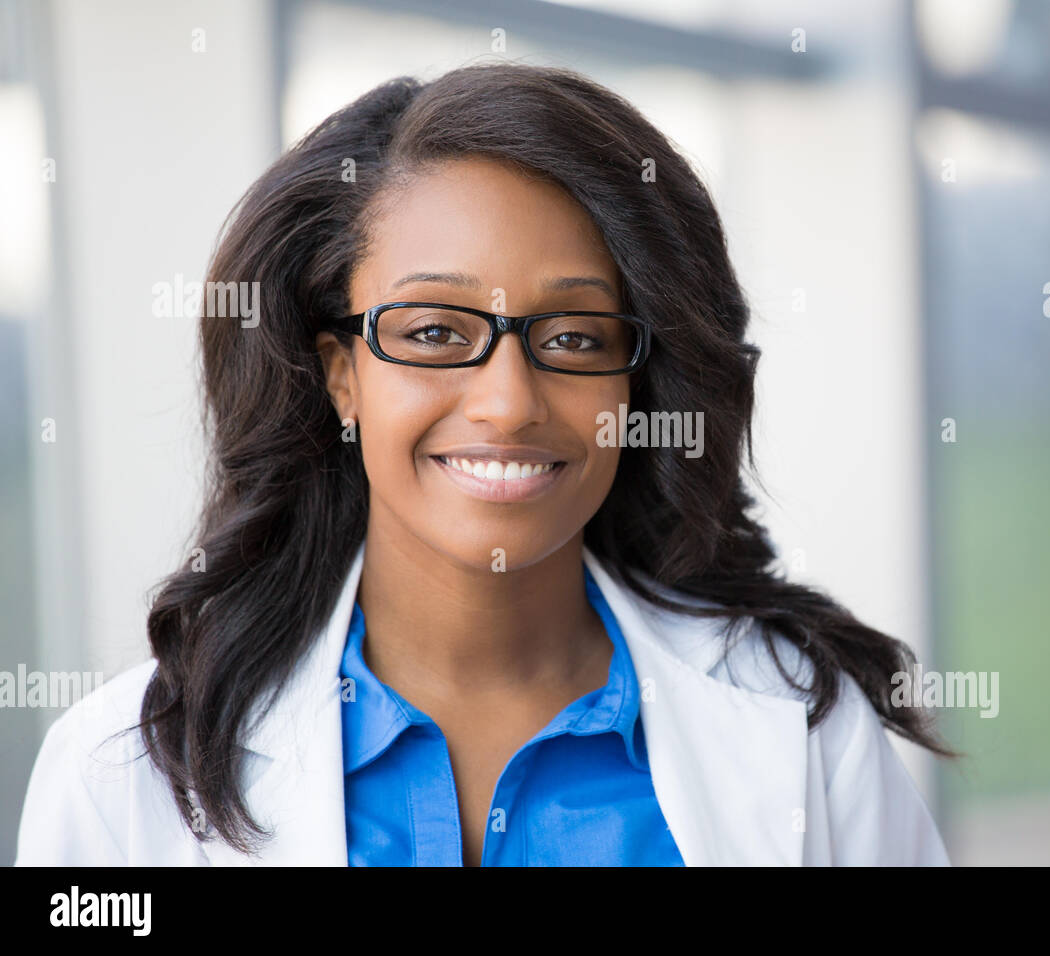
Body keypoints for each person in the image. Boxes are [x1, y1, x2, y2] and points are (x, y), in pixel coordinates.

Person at [15, 63, 957, 866]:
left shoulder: (800, 728)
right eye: (432, 332)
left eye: (578, 338)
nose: (508, 402)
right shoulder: (118, 773)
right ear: (340, 374)